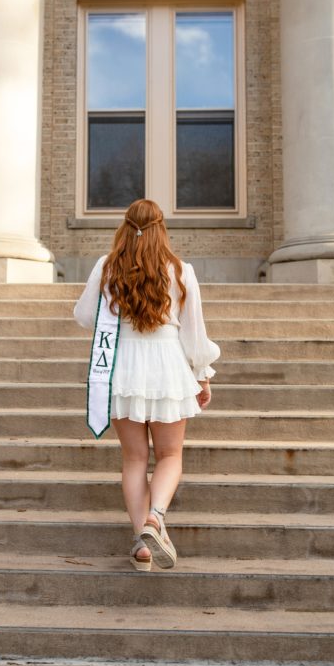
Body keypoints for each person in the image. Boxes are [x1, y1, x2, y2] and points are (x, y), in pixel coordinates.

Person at [74, 199, 219, 572]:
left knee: (135, 458)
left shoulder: (107, 269)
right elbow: (194, 332)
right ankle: (156, 517)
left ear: (124, 228)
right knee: (170, 456)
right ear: (161, 229)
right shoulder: (181, 270)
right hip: (167, 365)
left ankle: (142, 544)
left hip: (123, 368)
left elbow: (84, 316)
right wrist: (202, 374)